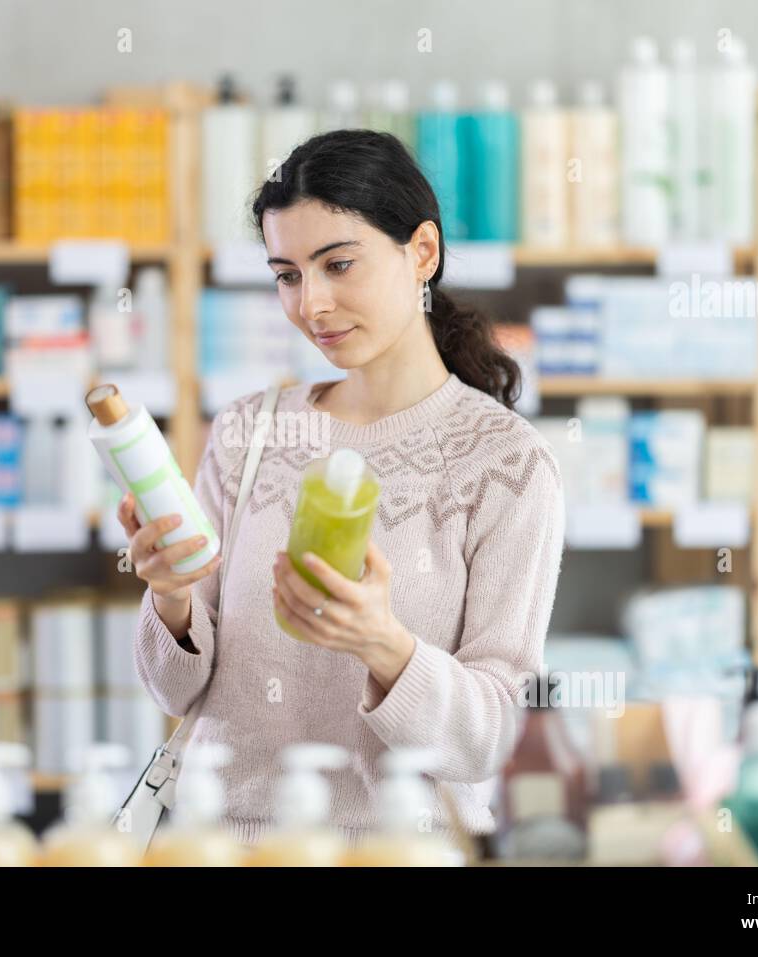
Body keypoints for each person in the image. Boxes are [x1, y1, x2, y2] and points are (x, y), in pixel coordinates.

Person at [119, 129, 565, 847]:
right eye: (288, 274)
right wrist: (169, 597)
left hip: (398, 850)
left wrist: (385, 646)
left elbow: (495, 733)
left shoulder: (506, 464)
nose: (312, 304)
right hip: (222, 848)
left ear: (422, 251)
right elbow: (174, 691)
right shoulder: (247, 433)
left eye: (337, 264)